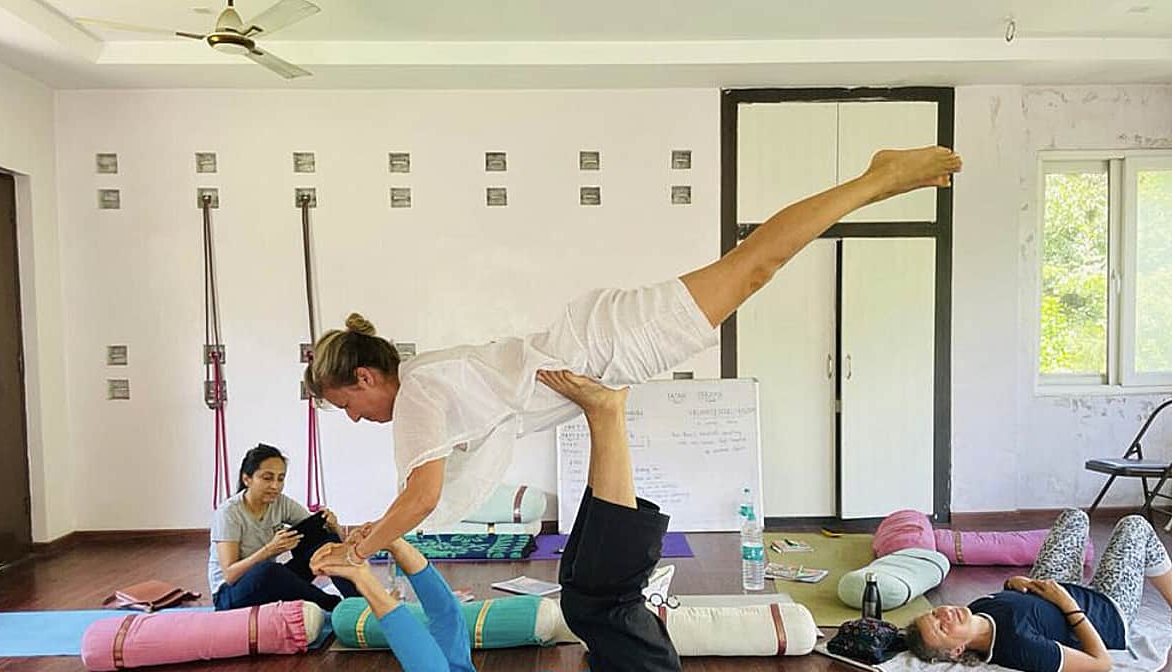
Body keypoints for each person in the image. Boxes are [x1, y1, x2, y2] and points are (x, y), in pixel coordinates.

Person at [304, 146, 963, 566]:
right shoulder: (428, 384)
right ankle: (871, 181)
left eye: (347, 405)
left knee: (753, 266)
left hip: (600, 344)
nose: (357, 418)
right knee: (750, 268)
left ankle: (875, 179)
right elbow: (439, 492)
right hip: (599, 347)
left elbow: (421, 497)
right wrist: (370, 530)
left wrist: (363, 544)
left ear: (365, 375)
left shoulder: (418, 392)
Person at [312, 370, 698, 672]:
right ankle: (606, 413)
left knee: (577, 582)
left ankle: (602, 415)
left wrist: (399, 548)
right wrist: (365, 580)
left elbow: (446, 620)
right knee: (599, 604)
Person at [904, 509, 1172, 672]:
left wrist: (1013, 583)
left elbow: (1013, 604)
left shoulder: (976, 609)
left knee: (1074, 518)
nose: (945, 614)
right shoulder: (1019, 648)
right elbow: (1100, 662)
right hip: (1107, 614)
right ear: (957, 651)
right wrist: (1067, 604)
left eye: (935, 613)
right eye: (941, 627)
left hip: (1052, 588)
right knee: (1134, 526)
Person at [207, 443, 361, 611]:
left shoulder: (280, 502)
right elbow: (230, 575)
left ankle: (358, 603)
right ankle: (335, 605)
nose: (275, 486)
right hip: (230, 594)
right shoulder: (229, 513)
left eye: (280, 479)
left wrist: (332, 526)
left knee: (327, 543)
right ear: (247, 479)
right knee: (269, 571)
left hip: (268, 583)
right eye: (267, 478)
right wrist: (269, 550)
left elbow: (321, 537)